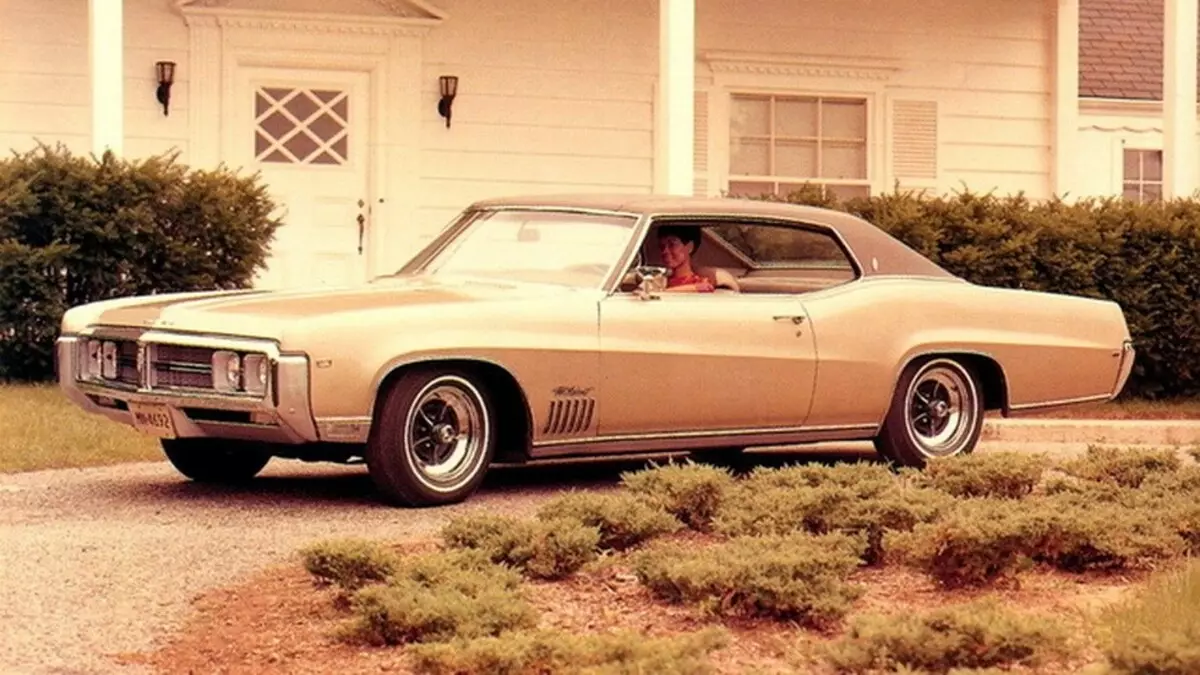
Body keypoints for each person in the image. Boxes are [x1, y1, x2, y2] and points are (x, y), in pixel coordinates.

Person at [656, 224, 715, 293]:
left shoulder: (699, 283)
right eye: (662, 246)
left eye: (672, 244)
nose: (665, 251)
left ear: (690, 247)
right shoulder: (660, 281)